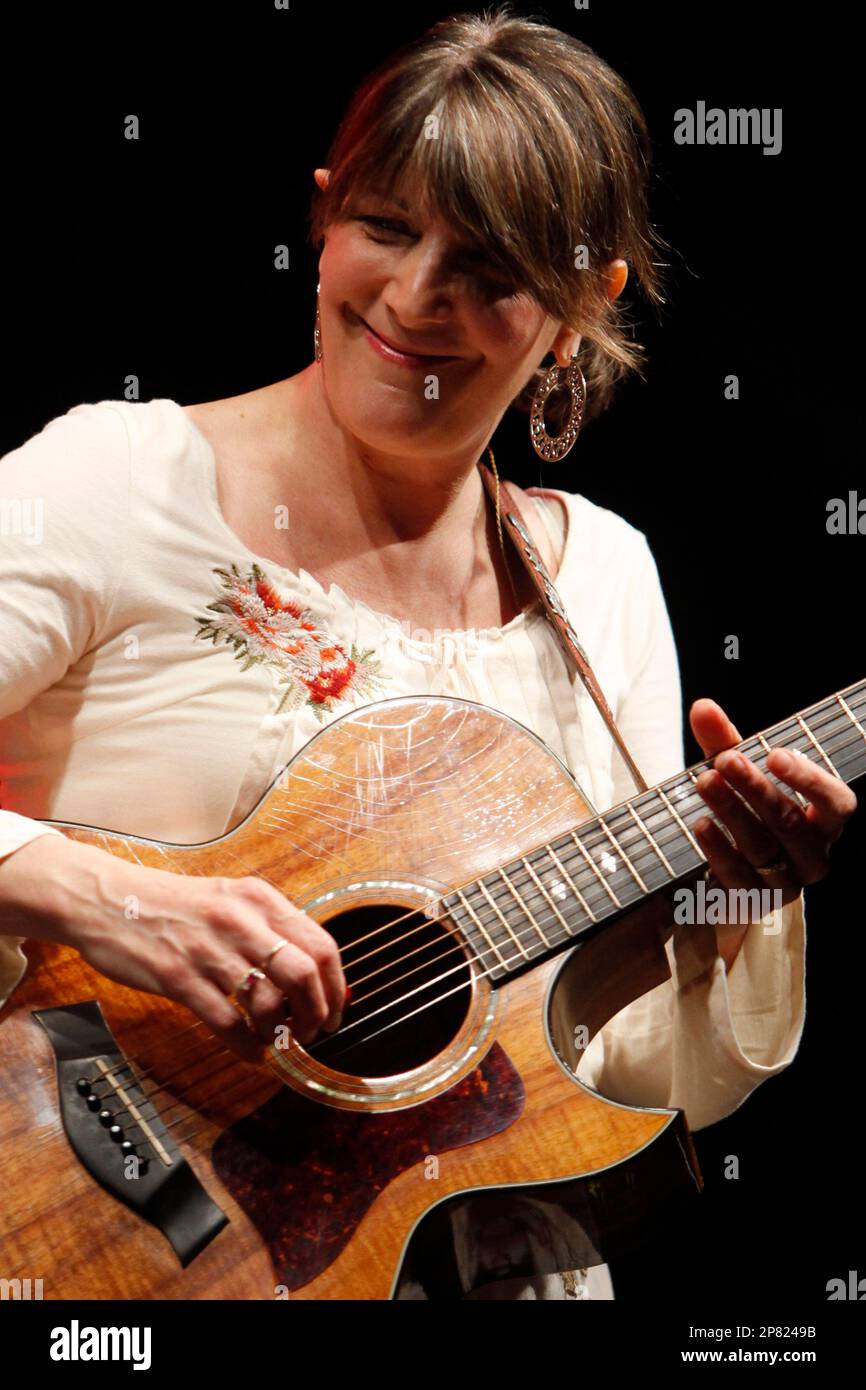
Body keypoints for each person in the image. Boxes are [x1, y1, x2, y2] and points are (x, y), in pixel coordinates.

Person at [0, 7, 855, 1301]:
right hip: (109, 1229)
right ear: (322, 213)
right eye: (386, 228)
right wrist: (110, 900)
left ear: (584, 303)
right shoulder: (114, 486)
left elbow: (617, 1081)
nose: (413, 298)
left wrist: (729, 903)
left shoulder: (601, 575)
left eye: (491, 266)